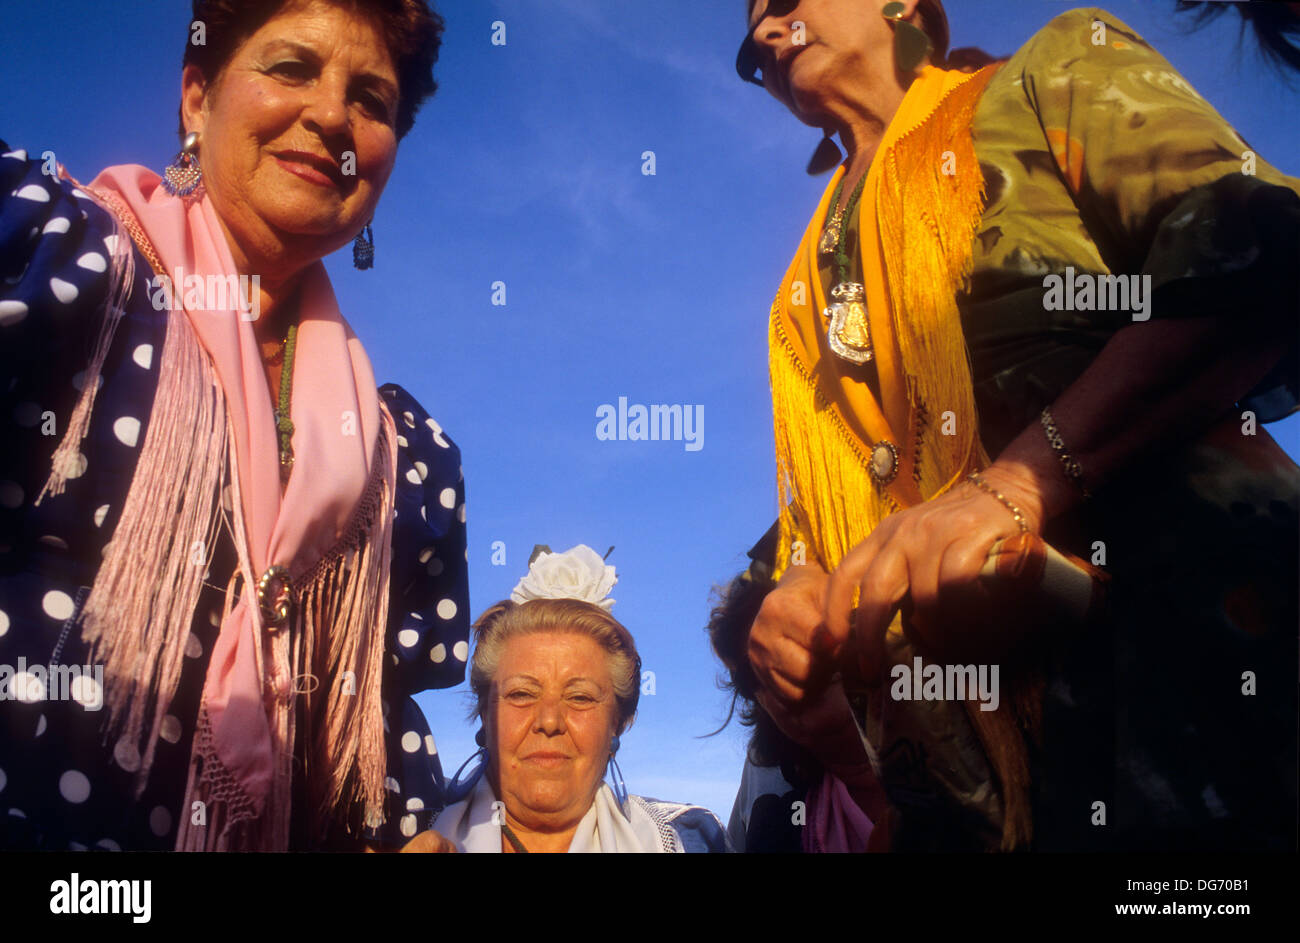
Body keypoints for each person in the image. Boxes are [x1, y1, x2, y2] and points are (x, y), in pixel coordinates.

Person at [716, 0, 1299, 851]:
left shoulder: (1047, 74)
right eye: (752, 29)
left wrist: (1023, 480)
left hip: (1197, 687)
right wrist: (800, 591)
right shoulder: (799, 298)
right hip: (974, 797)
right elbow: (828, 510)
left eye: (785, 1)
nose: (766, 33)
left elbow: (1262, 243)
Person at [0, 0, 470, 851]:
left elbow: (378, 721)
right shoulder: (60, 266)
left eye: (371, 99)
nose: (332, 114)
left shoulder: (399, 455)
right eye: (291, 68)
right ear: (195, 99)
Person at [429, 545, 729, 852]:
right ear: (484, 713)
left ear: (618, 722)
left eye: (580, 697)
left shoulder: (691, 840)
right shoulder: (403, 829)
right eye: (522, 694)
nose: (549, 721)